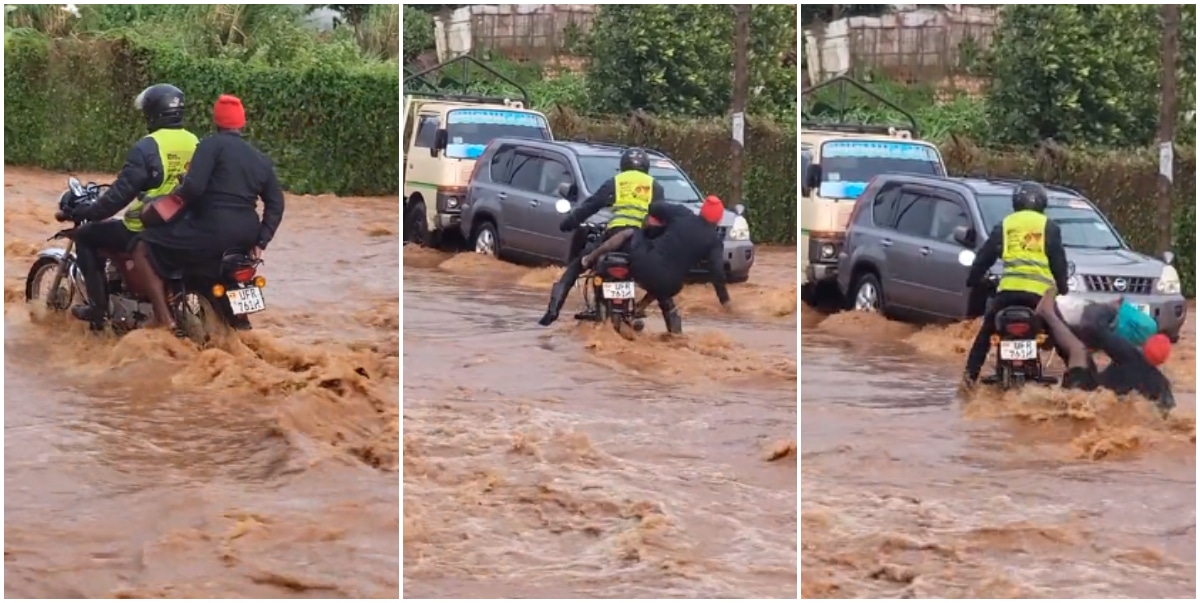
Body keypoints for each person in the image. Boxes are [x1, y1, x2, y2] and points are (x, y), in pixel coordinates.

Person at [130, 94, 286, 331]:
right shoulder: (260, 159)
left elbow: (193, 188)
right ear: (242, 123)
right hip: (246, 236)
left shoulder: (210, 145)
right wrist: (261, 241)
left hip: (212, 230)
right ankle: (232, 319)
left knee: (142, 246)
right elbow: (276, 204)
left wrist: (166, 204)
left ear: (217, 121)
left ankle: (162, 317)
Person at [55, 83, 198, 328]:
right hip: (183, 227)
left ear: (152, 113)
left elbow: (118, 196)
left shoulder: (148, 146)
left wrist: (86, 212)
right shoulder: (195, 142)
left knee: (86, 235)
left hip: (145, 228)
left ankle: (97, 309)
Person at [537, 147, 665, 326]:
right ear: (646, 166)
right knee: (661, 280)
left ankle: (552, 311)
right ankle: (670, 327)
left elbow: (590, 206)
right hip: (641, 242)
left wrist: (568, 223)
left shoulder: (616, 182)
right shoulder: (655, 187)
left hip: (614, 236)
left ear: (623, 165)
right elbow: (660, 217)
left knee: (576, 266)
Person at [962, 182, 1070, 388]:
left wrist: (973, 280)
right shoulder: (1050, 227)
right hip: (1039, 297)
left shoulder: (1005, 225)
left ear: (1016, 202)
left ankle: (968, 381)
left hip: (1007, 295)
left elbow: (984, 258)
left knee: (984, 336)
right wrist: (1062, 287)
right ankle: (1079, 379)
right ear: (1042, 202)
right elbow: (1058, 263)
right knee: (1061, 334)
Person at [580, 195, 732, 334]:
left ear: (702, 211)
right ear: (718, 220)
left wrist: (664, 223)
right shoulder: (714, 241)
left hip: (644, 265)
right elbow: (717, 272)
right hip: (671, 284)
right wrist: (725, 300)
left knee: (629, 233)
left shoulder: (682, 214)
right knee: (664, 290)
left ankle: (589, 259)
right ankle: (646, 312)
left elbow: (654, 207)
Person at [1036, 288, 1174, 411]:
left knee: (1078, 349)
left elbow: (1097, 332)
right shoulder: (1161, 384)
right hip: (1106, 407)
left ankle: (1048, 314)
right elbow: (1168, 408)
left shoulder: (1129, 355)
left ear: (1143, 346)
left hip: (1085, 398)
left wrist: (1110, 309)